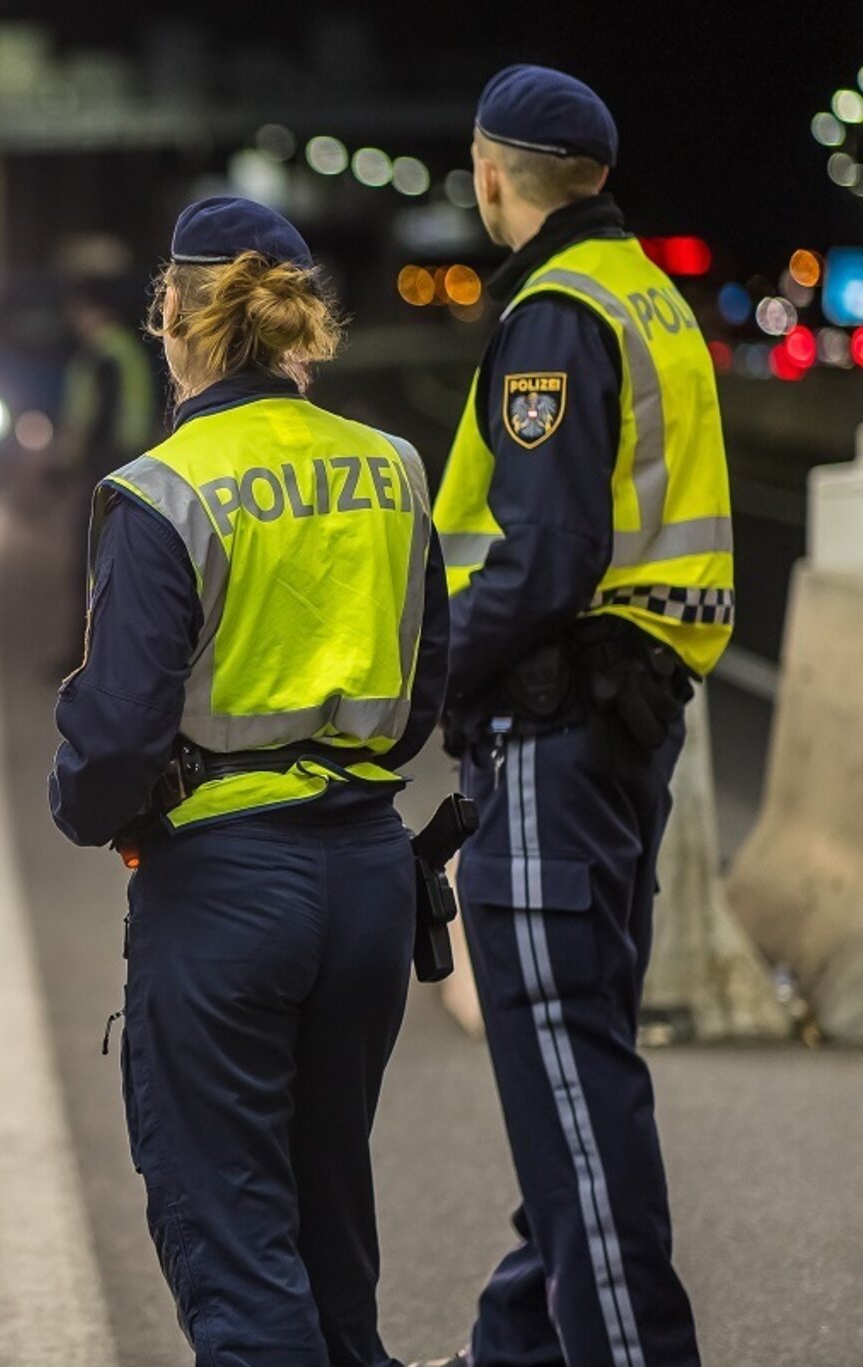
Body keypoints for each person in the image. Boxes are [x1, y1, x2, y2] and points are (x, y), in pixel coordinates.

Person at [50, 196, 449, 1366]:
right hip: (369, 883)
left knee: (234, 1244)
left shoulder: (161, 488)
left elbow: (117, 732)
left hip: (225, 890)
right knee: (328, 1228)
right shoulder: (392, 467)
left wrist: (84, 804)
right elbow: (426, 685)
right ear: (295, 319)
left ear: (171, 314)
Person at [415, 65, 733, 1367]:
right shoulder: (650, 296)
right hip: (631, 725)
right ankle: (515, 1346)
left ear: (495, 174)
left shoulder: (554, 314)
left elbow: (541, 558)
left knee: (570, 1081)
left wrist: (422, 690)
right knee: (576, 1068)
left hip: (557, 731)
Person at [53, 281, 160, 667]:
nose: (74, 322)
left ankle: (87, 657)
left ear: (91, 311)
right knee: (117, 563)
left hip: (104, 469)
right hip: (129, 467)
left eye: (77, 314)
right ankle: (107, 655)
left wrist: (66, 466)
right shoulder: (127, 353)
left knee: (90, 564)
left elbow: (91, 420)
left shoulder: (103, 357)